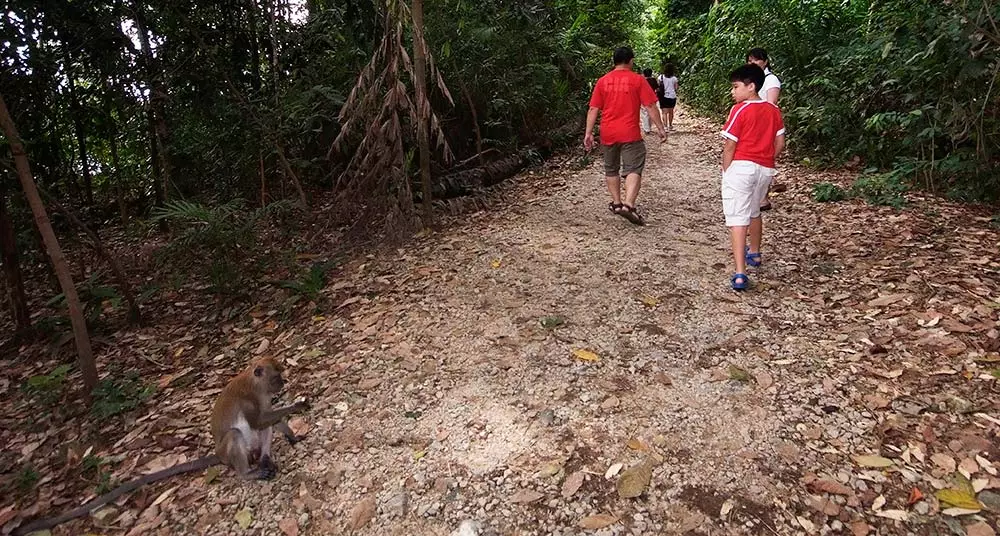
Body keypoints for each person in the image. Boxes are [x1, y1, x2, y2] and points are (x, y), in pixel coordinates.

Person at [584, 47, 667, 226]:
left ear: (614, 61)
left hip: (608, 132)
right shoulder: (637, 80)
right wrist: (661, 128)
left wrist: (588, 133)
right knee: (633, 168)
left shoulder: (602, 81)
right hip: (630, 132)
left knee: (611, 168)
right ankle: (628, 205)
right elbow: (650, 106)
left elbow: (593, 109)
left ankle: (616, 202)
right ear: (630, 60)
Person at [720, 64, 785, 291]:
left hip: (741, 167)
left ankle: (740, 273)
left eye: (736, 87)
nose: (733, 92)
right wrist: (767, 158)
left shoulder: (740, 110)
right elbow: (780, 144)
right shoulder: (773, 110)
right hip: (764, 169)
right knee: (755, 210)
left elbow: (730, 145)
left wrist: (726, 170)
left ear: (751, 86)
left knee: (737, 217)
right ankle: (755, 253)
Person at [746, 48, 782, 210]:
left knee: (765, 156)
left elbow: (771, 103)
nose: (752, 63)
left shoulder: (771, 79)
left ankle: (763, 198)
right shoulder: (753, 80)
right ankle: (759, 195)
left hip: (766, 124)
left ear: (765, 61)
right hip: (753, 124)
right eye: (750, 61)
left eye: (756, 60)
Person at [657, 64, 679, 131]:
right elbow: (676, 88)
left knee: (664, 112)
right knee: (671, 112)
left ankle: (665, 127)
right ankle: (670, 126)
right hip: (672, 96)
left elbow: (658, 87)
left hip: (663, 96)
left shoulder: (660, 77)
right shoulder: (674, 78)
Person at [640, 68, 659, 134]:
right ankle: (649, 128)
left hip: (643, 98)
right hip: (652, 98)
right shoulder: (653, 80)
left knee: (644, 113)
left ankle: (646, 129)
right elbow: (657, 88)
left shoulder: (642, 80)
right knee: (651, 113)